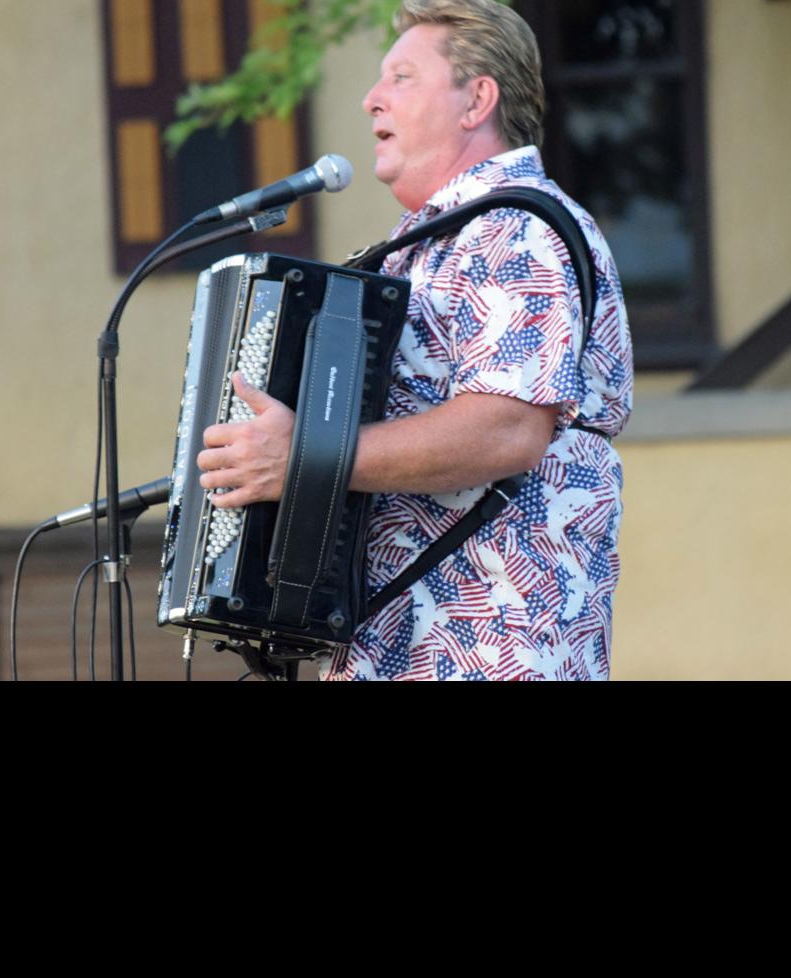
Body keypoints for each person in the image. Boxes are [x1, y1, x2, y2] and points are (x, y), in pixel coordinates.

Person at [195, 0, 633, 680]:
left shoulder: (515, 231)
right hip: (407, 645)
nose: (372, 100)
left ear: (476, 100)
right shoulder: (428, 245)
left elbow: (506, 429)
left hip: (489, 647)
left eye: (401, 77)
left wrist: (304, 458)